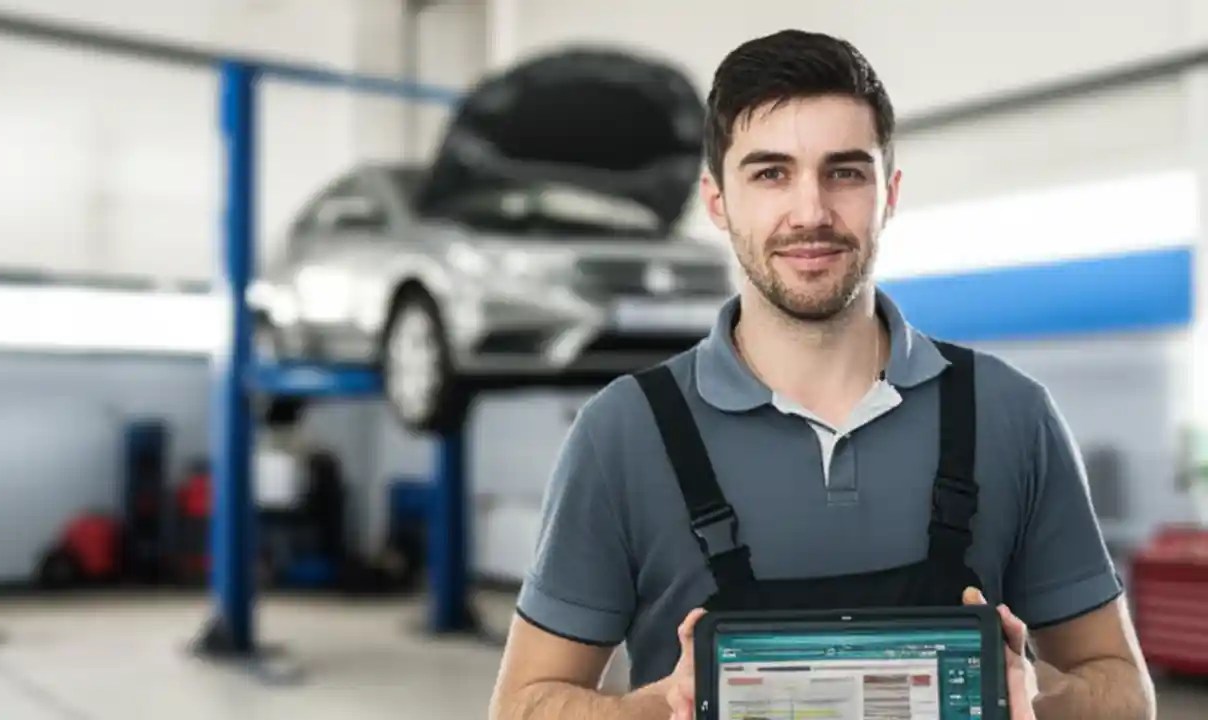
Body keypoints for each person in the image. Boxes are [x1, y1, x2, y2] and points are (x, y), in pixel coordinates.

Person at [488, 28, 1156, 720]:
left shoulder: (1010, 414)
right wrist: (659, 707)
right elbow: (521, 707)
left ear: (888, 193)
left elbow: (1126, 694)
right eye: (770, 173)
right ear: (717, 201)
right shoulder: (623, 433)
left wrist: (1034, 690)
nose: (810, 212)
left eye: (845, 171)